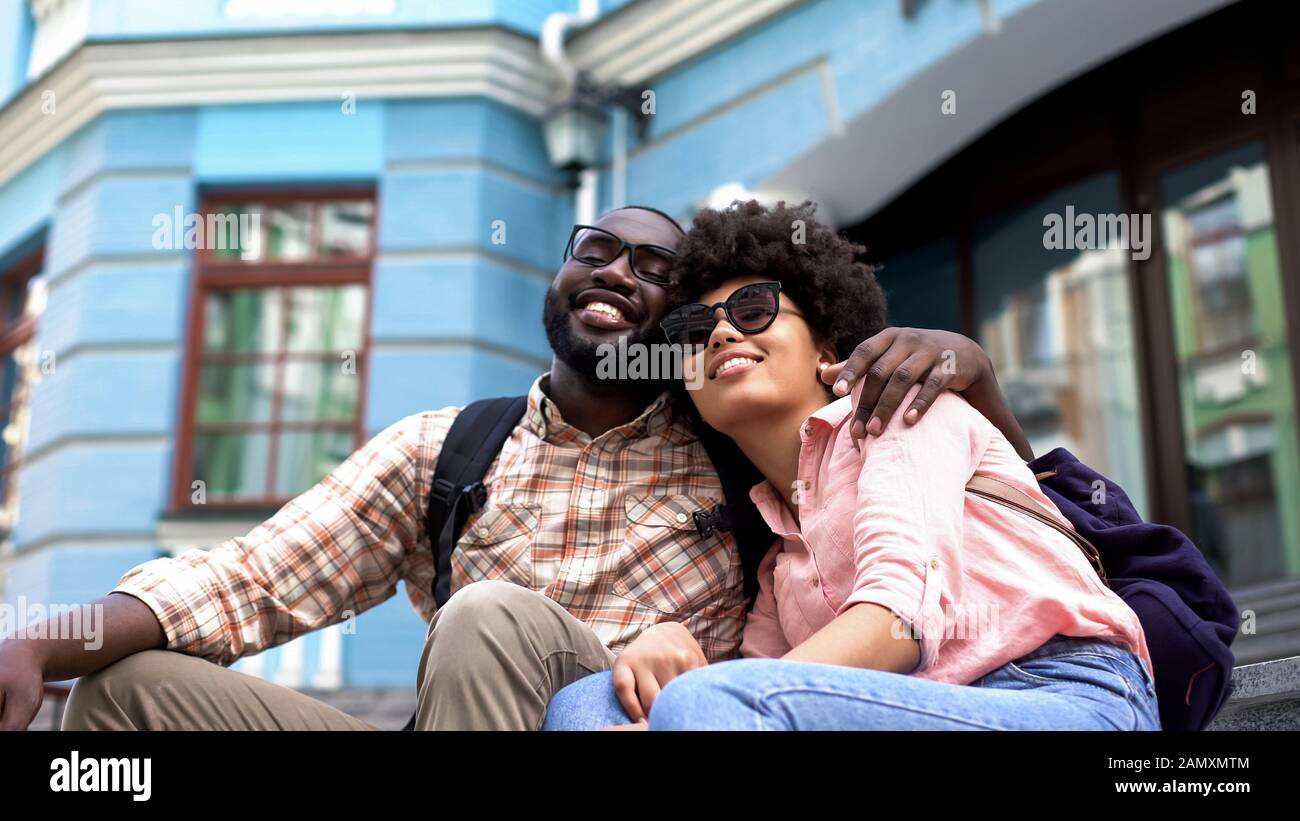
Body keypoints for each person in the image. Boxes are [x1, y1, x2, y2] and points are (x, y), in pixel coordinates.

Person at [0, 205, 1025, 731]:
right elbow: (254, 577)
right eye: (597, 248)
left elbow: (972, 509)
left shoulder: (733, 443)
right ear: (561, 274)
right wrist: (41, 643)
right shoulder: (449, 448)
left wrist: (969, 375)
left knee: (490, 609)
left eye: (656, 269)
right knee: (132, 695)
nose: (618, 270)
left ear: (682, 328)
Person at [543, 201, 1159, 731]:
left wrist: (691, 703)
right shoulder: (780, 552)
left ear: (829, 350)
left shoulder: (898, 411)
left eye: (754, 311)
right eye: (692, 328)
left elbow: (899, 620)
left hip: (1061, 695)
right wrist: (665, 649)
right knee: (588, 702)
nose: (721, 335)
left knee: (706, 699)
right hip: (914, 706)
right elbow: (763, 684)